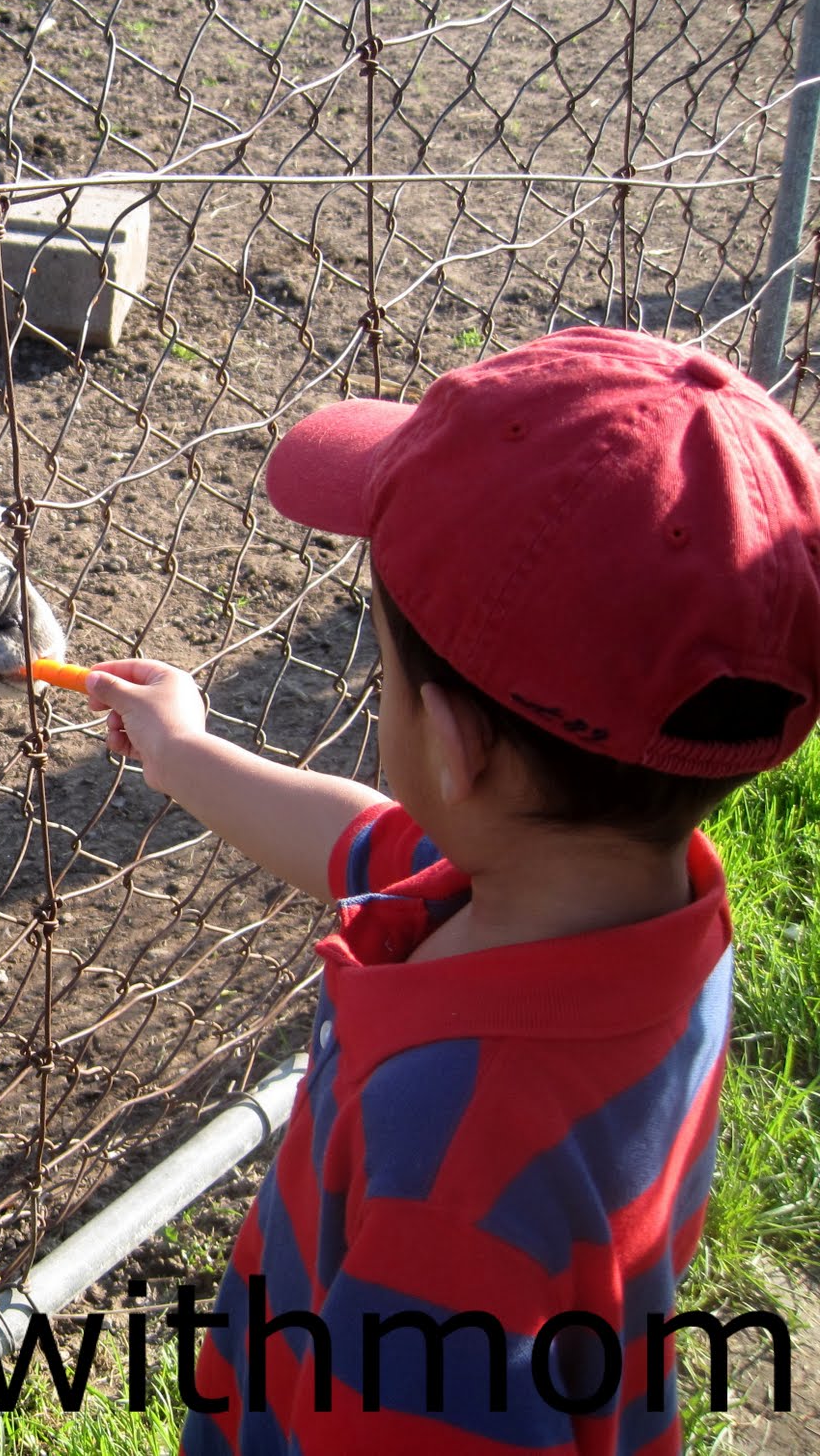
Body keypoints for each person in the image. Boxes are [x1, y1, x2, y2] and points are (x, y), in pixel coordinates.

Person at [84, 327, 820, 1454]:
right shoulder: (641, 914)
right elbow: (359, 841)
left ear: (452, 744)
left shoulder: (451, 1161)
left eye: (379, 666)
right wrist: (183, 755)